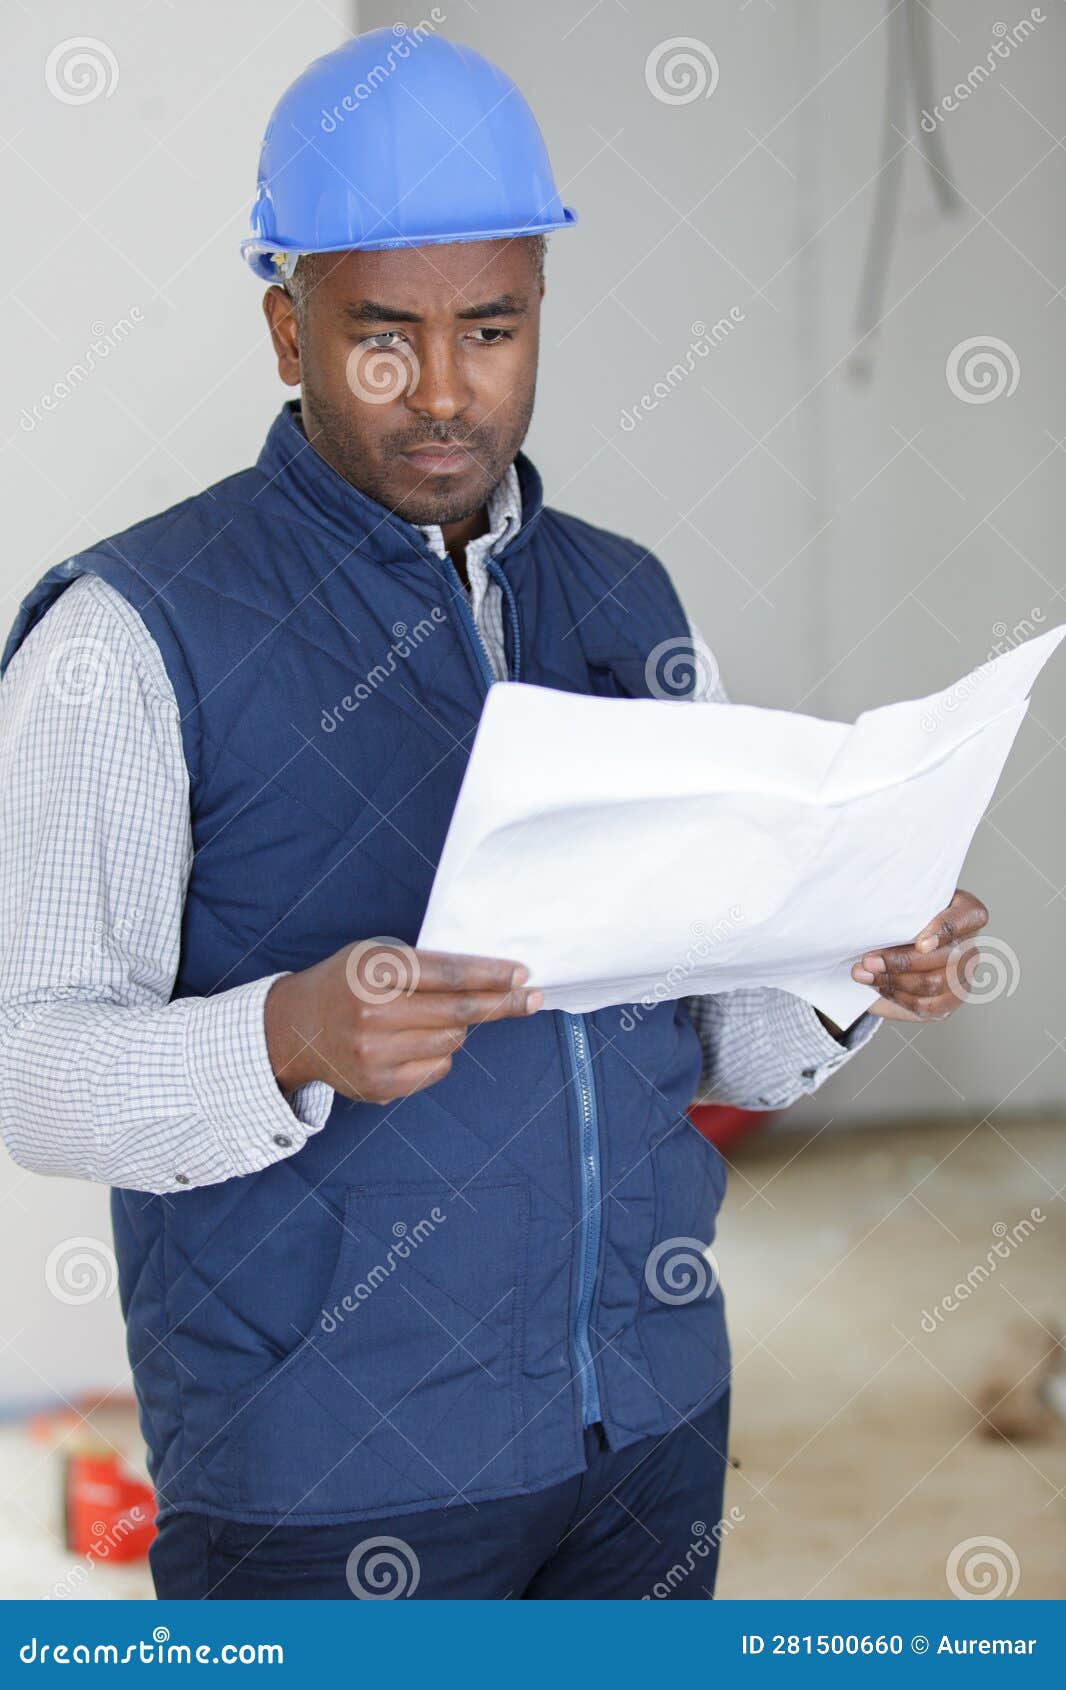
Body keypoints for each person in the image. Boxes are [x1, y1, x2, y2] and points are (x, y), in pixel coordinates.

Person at [0, 29, 988, 1600]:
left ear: (537, 314)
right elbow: (27, 1064)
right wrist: (286, 1035)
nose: (446, 390)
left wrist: (852, 957)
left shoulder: (622, 600)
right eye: (382, 336)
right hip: (322, 1480)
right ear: (286, 328)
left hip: (644, 1431)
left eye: (493, 328)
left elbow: (714, 1031)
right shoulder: (131, 634)